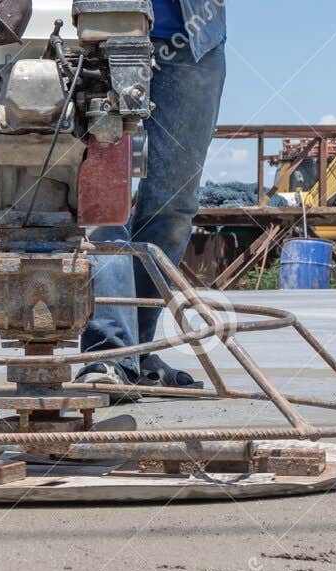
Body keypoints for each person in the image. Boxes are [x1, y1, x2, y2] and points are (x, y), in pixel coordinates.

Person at [79, 0, 227, 393]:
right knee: (103, 208)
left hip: (193, 38)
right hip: (99, 32)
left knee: (174, 207)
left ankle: (139, 351)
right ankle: (108, 356)